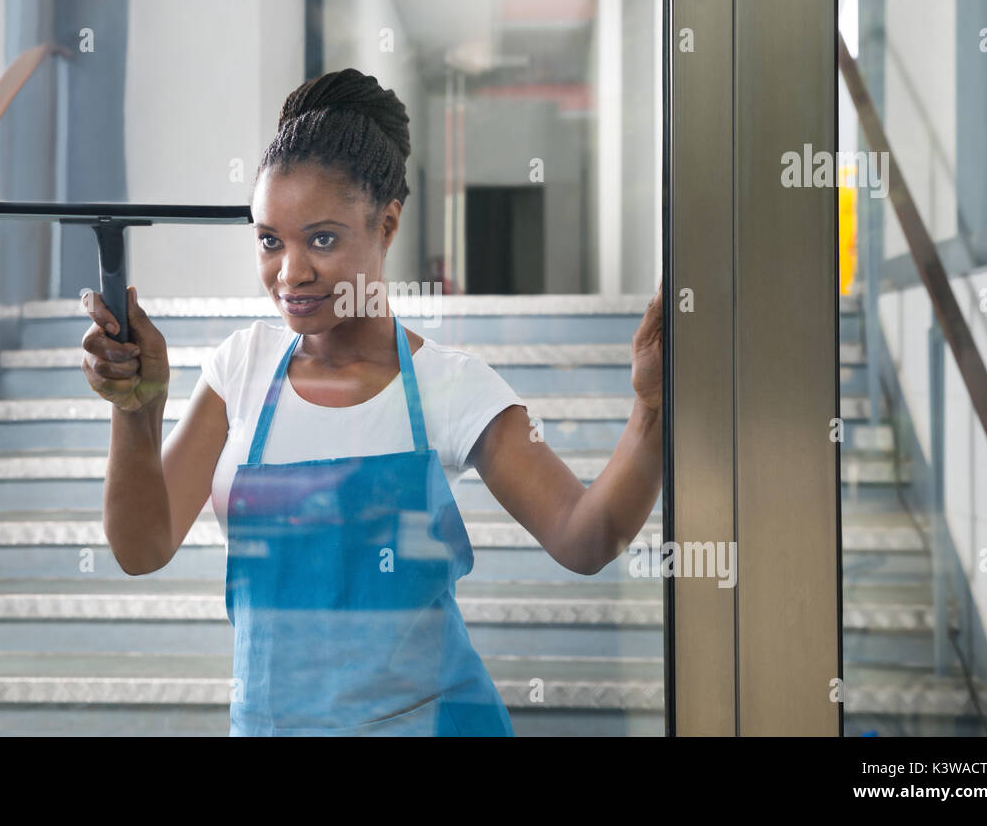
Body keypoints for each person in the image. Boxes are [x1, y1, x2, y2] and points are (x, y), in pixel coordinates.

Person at [81, 68, 663, 736]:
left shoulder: (451, 383)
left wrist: (650, 412)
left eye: (321, 239)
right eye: (270, 239)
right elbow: (142, 545)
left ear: (386, 223)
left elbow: (584, 537)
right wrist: (136, 409)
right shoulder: (240, 368)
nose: (291, 272)